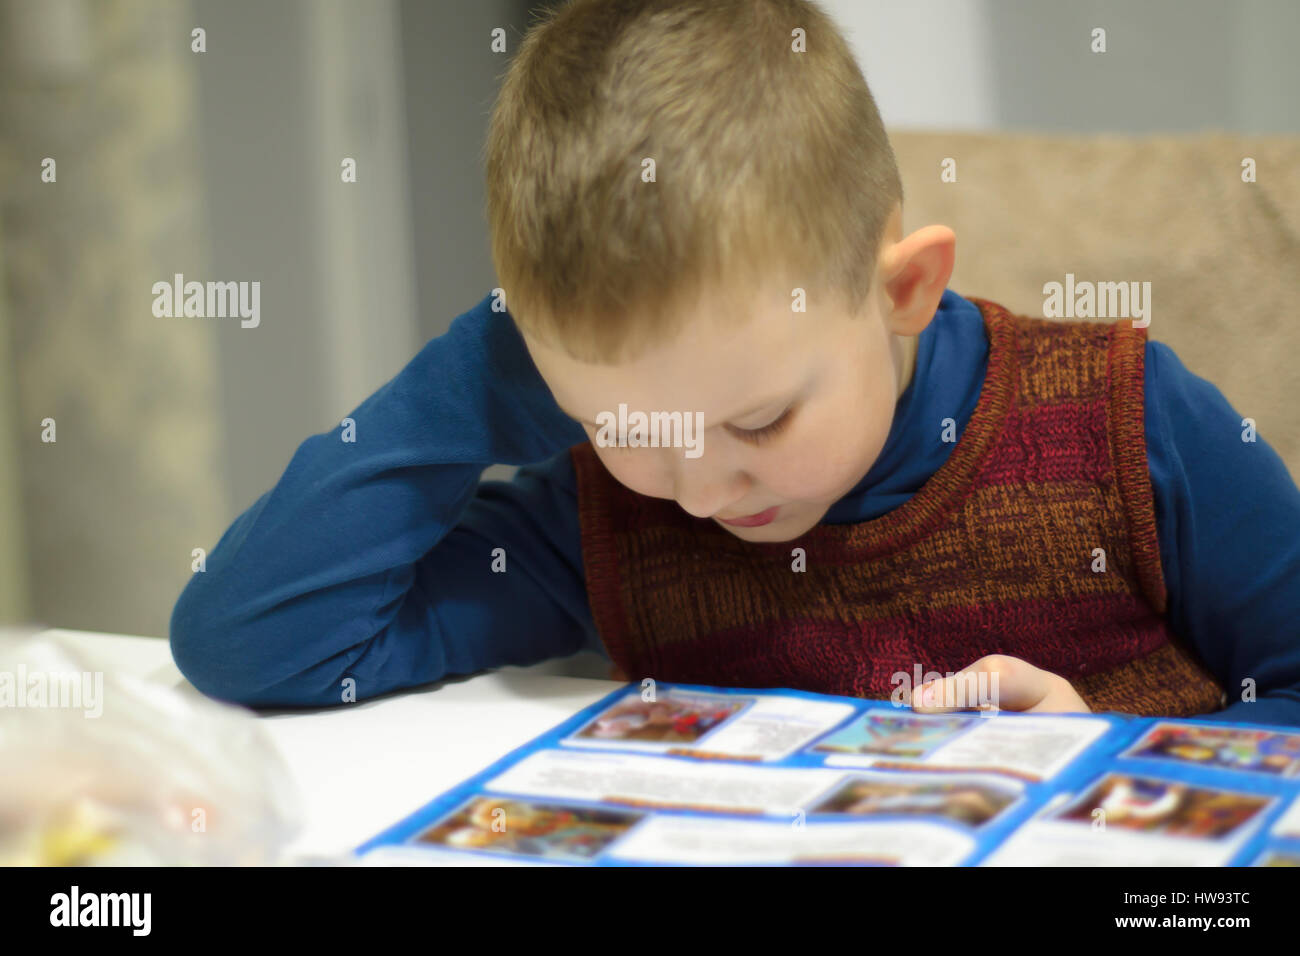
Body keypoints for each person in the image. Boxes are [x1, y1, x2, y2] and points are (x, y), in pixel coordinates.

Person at [169, 0, 1300, 725]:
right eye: (631, 430)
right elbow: (258, 640)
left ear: (902, 291)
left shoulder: (1122, 417)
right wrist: (481, 379)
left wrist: (1114, 764)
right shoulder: (603, 513)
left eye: (759, 423)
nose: (703, 495)